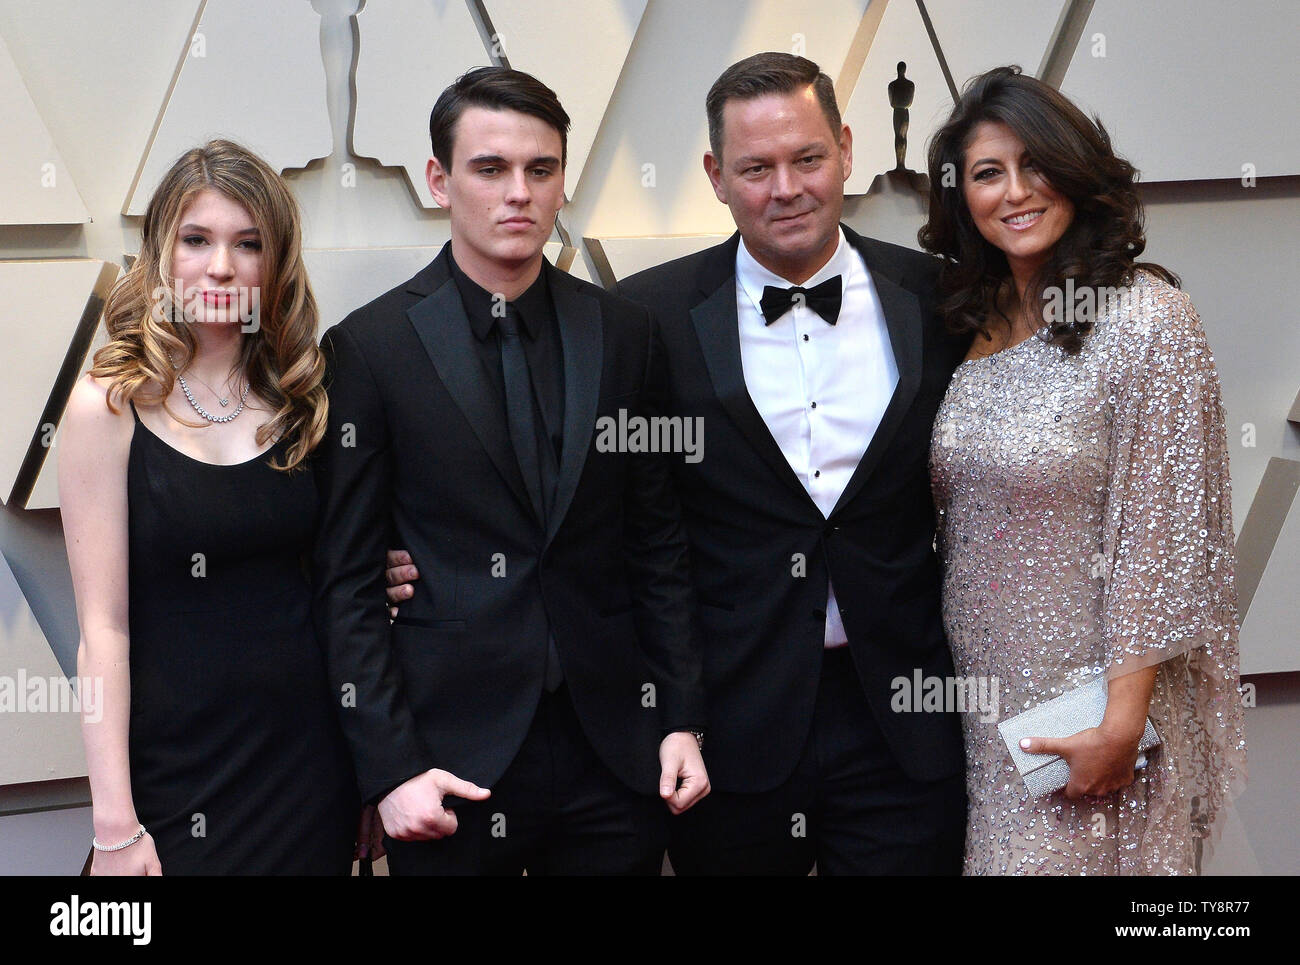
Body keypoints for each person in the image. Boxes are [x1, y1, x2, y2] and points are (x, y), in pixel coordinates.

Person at [314, 66, 708, 876]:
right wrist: (389, 768)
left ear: (564, 180)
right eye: (489, 169)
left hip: (616, 755)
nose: (517, 192)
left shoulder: (625, 333)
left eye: (541, 169)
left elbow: (656, 543)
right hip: (451, 763)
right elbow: (347, 581)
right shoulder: (371, 348)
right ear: (439, 179)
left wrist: (680, 719)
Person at [613, 52, 969, 874]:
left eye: (807, 158)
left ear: (845, 147)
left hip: (905, 718)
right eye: (756, 167)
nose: (786, 188)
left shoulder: (942, 297)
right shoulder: (646, 316)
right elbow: (627, 524)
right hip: (732, 725)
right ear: (714, 174)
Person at [921, 66, 1247, 874]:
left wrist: (1120, 723)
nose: (1015, 192)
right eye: (988, 174)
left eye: (1037, 165)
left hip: (1096, 720)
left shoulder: (1146, 320)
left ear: (1076, 170)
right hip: (984, 723)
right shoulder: (969, 328)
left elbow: (1159, 537)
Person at [60, 140, 359, 875]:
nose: (221, 266)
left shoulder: (306, 397)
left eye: (247, 243)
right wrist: (114, 824)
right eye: (197, 240)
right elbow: (102, 631)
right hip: (171, 772)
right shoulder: (108, 404)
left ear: (275, 261)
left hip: (307, 769)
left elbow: (332, 578)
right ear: (163, 252)